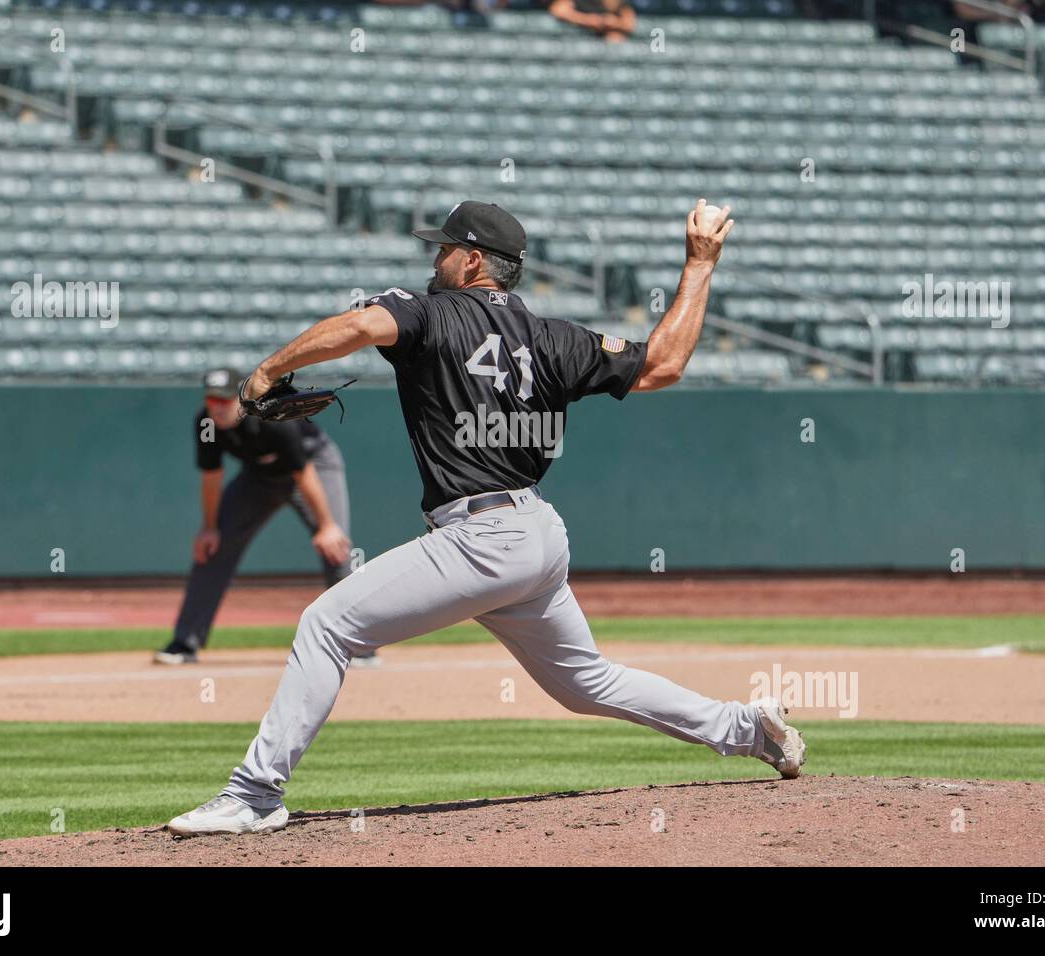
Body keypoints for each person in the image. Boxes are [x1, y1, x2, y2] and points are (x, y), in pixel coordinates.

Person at [166, 200, 805, 836]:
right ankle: (746, 728)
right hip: (537, 536)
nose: (434, 257)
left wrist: (268, 371)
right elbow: (664, 364)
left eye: (443, 248)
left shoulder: (428, 313)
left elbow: (360, 328)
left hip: (482, 539)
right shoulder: (556, 336)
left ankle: (253, 795)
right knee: (588, 682)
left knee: (326, 624)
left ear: (473, 261)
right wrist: (699, 264)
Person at [154, 368, 374, 666]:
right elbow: (211, 479)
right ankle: (185, 642)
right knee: (212, 549)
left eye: (224, 399)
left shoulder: (267, 416)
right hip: (259, 478)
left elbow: (303, 471)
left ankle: (360, 645)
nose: (217, 406)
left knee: (335, 549)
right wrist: (209, 528)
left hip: (314, 466)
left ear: (240, 398)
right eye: (211, 399)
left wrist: (325, 525)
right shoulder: (205, 423)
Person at [548, 0, 636, 44]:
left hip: (604, 38)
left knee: (616, 38)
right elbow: (559, 11)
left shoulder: (616, 3)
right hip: (576, 37)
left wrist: (613, 23)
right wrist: (588, 20)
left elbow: (629, 24)